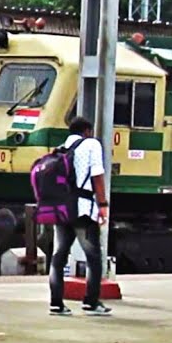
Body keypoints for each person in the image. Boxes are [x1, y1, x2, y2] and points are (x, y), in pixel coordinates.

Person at [47, 117, 112, 316]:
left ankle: (56, 304)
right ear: (87, 130)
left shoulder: (60, 149)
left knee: (59, 255)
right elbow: (97, 176)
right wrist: (103, 204)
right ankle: (91, 303)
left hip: (61, 208)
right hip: (82, 209)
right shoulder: (91, 144)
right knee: (93, 257)